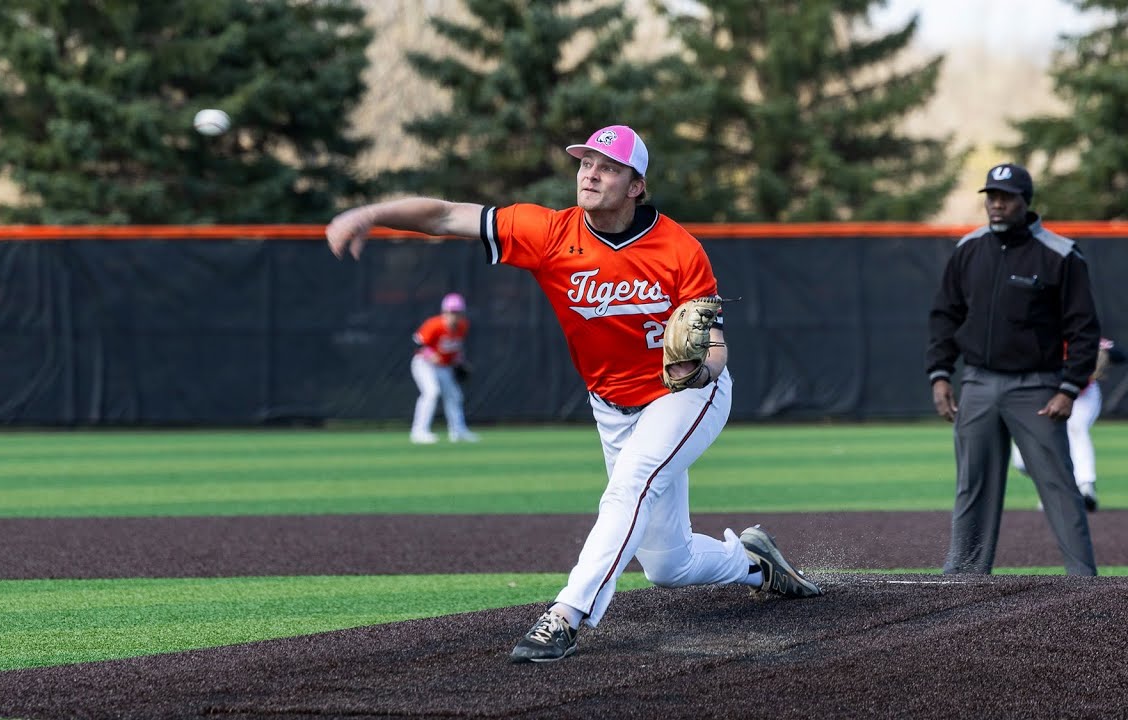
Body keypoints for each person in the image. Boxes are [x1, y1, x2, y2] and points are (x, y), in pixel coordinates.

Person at [327, 124, 822, 663]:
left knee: (628, 488)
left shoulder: (679, 249)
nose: (590, 173)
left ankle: (566, 614)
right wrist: (370, 214)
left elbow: (717, 348)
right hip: (611, 404)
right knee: (667, 565)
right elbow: (447, 215)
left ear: (636, 185)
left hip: (684, 395)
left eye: (607, 167)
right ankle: (753, 562)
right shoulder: (547, 231)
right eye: (585, 163)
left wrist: (700, 372)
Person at [926, 162, 1101, 576]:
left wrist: (1069, 386)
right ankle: (964, 581)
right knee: (973, 488)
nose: (997, 205)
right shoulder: (968, 249)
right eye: (991, 197)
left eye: (1006, 197)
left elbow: (1083, 328)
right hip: (978, 383)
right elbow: (944, 316)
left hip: (1037, 388)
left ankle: (1084, 584)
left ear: (1026, 201)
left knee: (1059, 487)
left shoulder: (1060, 254)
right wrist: (939, 374)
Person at [1015, 337, 1125, 512]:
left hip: (1082, 396)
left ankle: (1086, 488)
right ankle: (1059, 488)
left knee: (1076, 429)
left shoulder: (1078, 334)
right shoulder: (1034, 334)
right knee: (1021, 460)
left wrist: (1105, 352)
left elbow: (1120, 354)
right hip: (1042, 395)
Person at [409, 292, 479, 444]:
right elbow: (416, 343)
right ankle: (419, 432)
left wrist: (460, 362)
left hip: (443, 367)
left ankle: (458, 431)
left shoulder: (462, 326)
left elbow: (456, 349)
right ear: (444, 312)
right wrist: (430, 355)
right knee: (431, 393)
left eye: (457, 312)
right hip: (423, 364)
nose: (454, 315)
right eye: (451, 312)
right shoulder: (434, 325)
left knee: (454, 396)